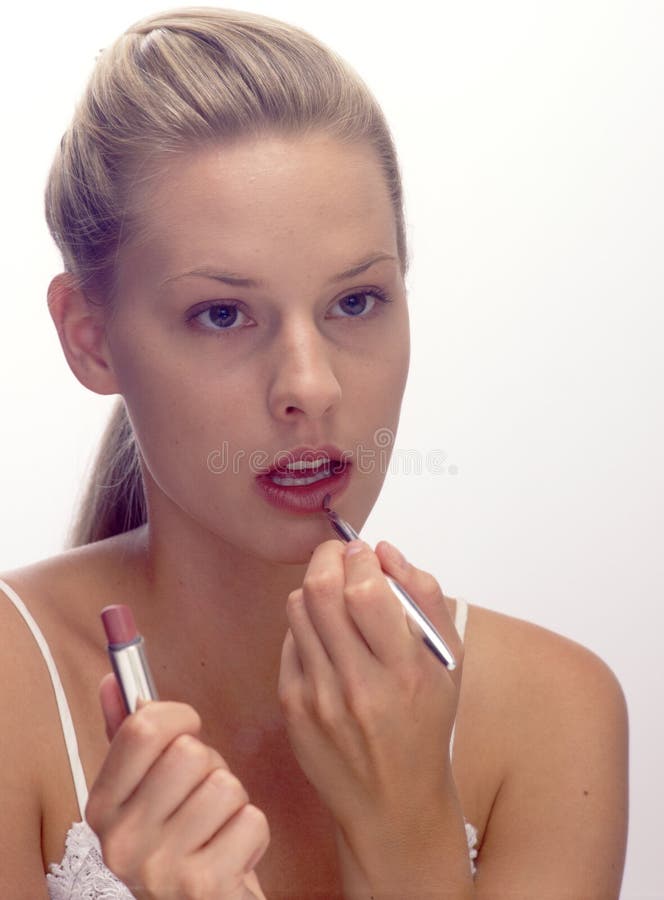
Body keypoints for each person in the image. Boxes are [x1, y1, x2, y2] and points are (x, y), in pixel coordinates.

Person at [0, 7, 628, 898]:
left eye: (357, 301)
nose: (312, 385)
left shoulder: (561, 714)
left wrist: (405, 827)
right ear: (91, 339)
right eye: (223, 314)